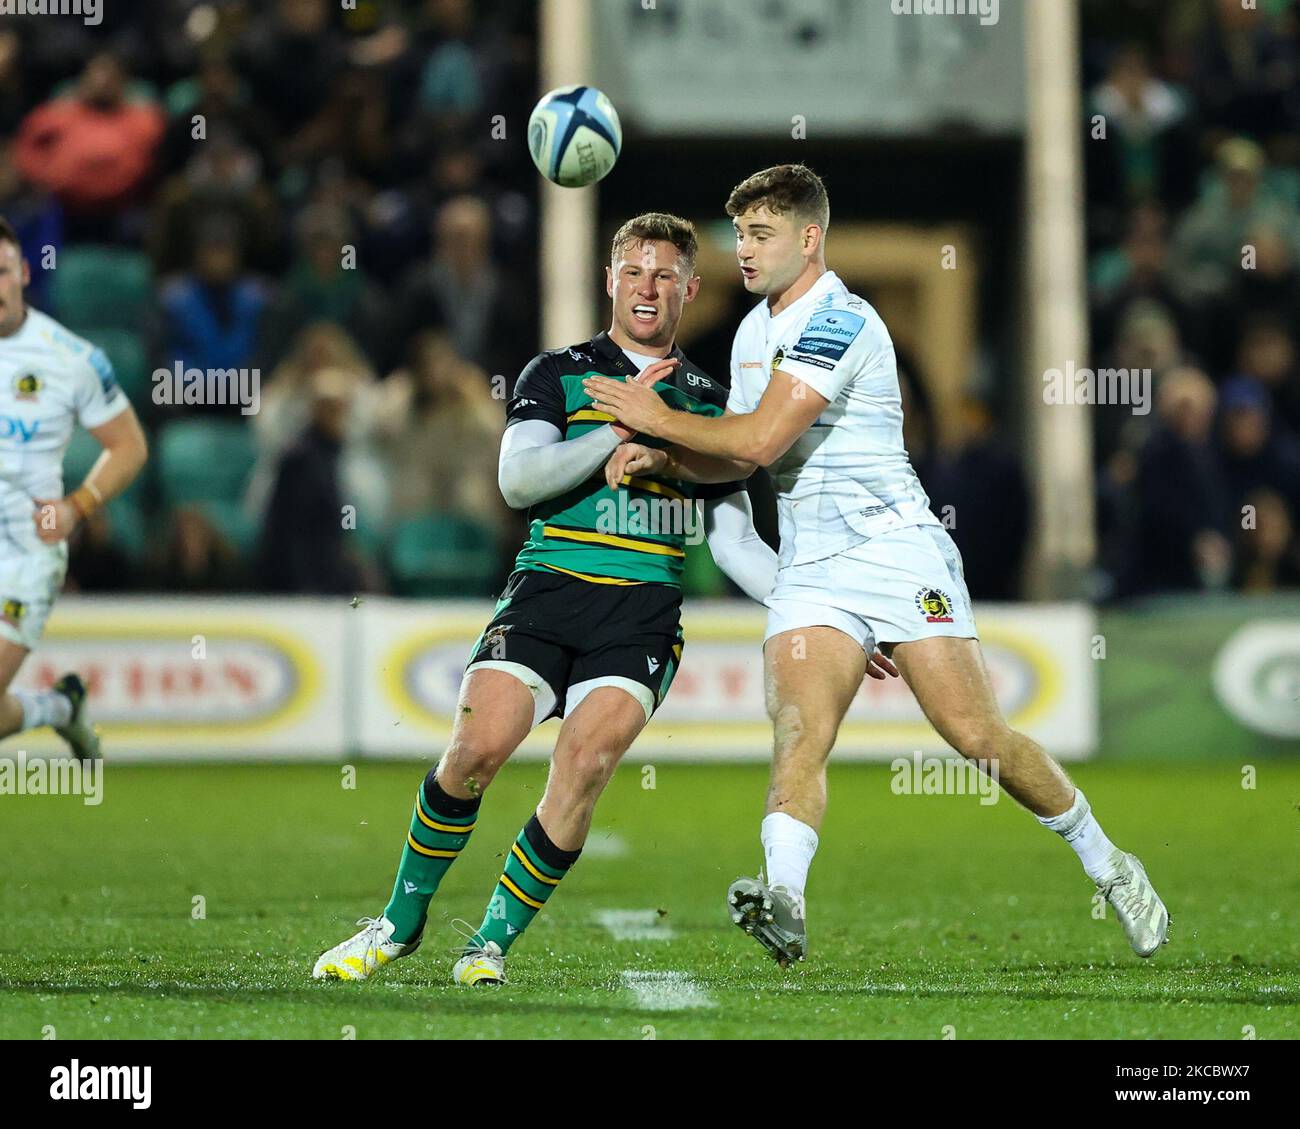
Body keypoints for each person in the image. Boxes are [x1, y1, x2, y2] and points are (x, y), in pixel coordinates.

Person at [586, 166, 1170, 965]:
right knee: (797, 730)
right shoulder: (755, 331)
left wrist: (653, 416)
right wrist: (664, 458)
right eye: (740, 236)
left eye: (760, 235)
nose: (744, 252)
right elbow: (739, 461)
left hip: (896, 551)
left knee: (975, 734)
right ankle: (785, 898)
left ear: (809, 238)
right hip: (812, 568)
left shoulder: (843, 321)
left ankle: (1111, 866)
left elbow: (759, 440)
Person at [311, 211, 896, 986]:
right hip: (547, 591)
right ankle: (398, 921)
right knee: (475, 751)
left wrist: (826, 609)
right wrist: (611, 437)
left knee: (583, 763)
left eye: (664, 275)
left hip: (641, 612)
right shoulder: (555, 373)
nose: (647, 287)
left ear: (690, 288)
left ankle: (487, 944)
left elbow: (735, 545)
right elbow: (518, 481)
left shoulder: (710, 406)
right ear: (609, 280)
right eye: (633, 271)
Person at [0, 216, 148, 756]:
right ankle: (60, 706)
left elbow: (129, 446)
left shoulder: (71, 359)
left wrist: (78, 505)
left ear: (24, 275)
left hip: (25, 552)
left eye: (1, 272)